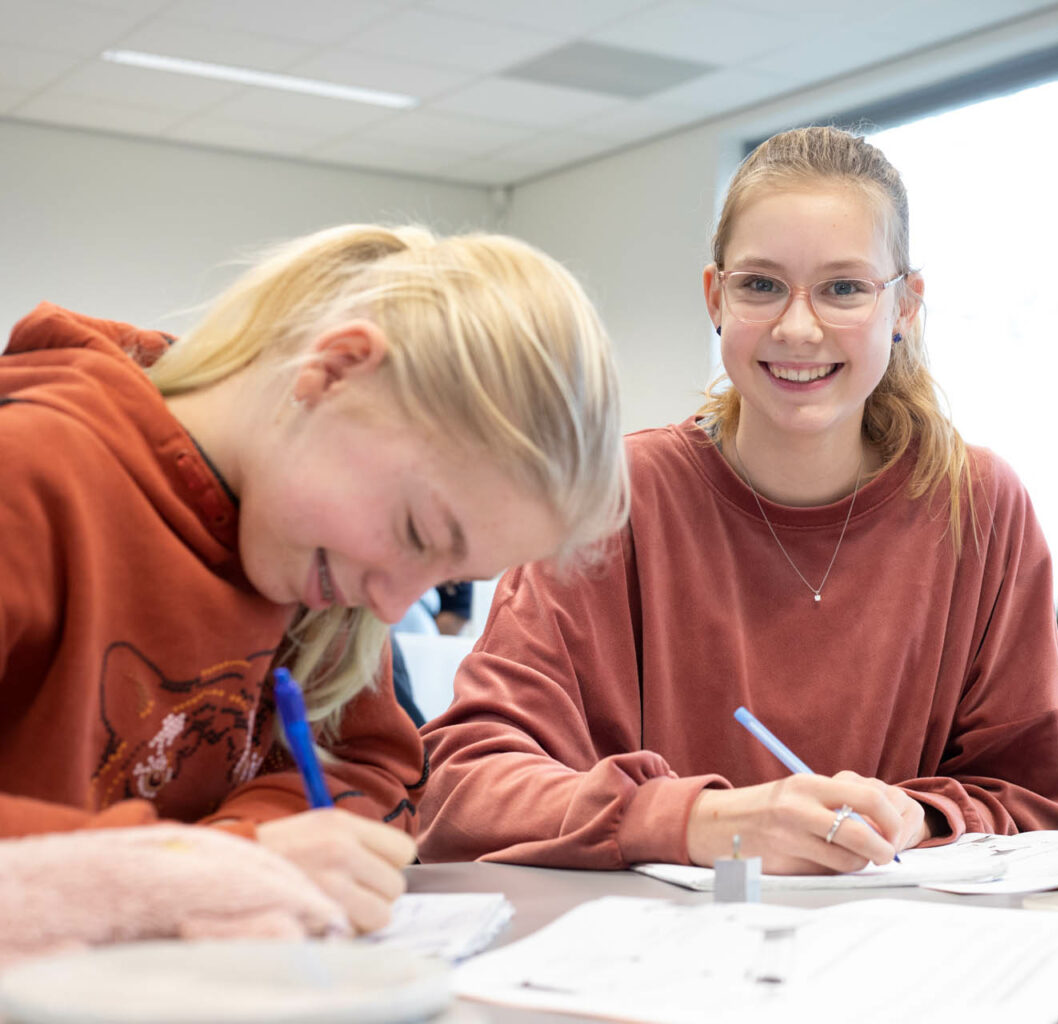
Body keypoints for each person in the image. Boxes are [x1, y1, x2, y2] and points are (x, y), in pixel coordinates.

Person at [418, 126, 1058, 875]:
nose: (798, 327)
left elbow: (1039, 800)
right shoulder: (615, 499)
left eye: (845, 288)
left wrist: (921, 817)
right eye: (760, 285)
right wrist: (700, 823)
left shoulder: (979, 507)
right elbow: (462, 788)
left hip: (898, 957)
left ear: (905, 308)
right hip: (649, 965)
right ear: (714, 298)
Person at [0, 225, 626, 930]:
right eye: (417, 534)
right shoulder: (31, 473)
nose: (392, 604)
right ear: (333, 371)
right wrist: (212, 868)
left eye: (449, 575)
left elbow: (369, 765)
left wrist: (263, 847)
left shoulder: (318, 558)